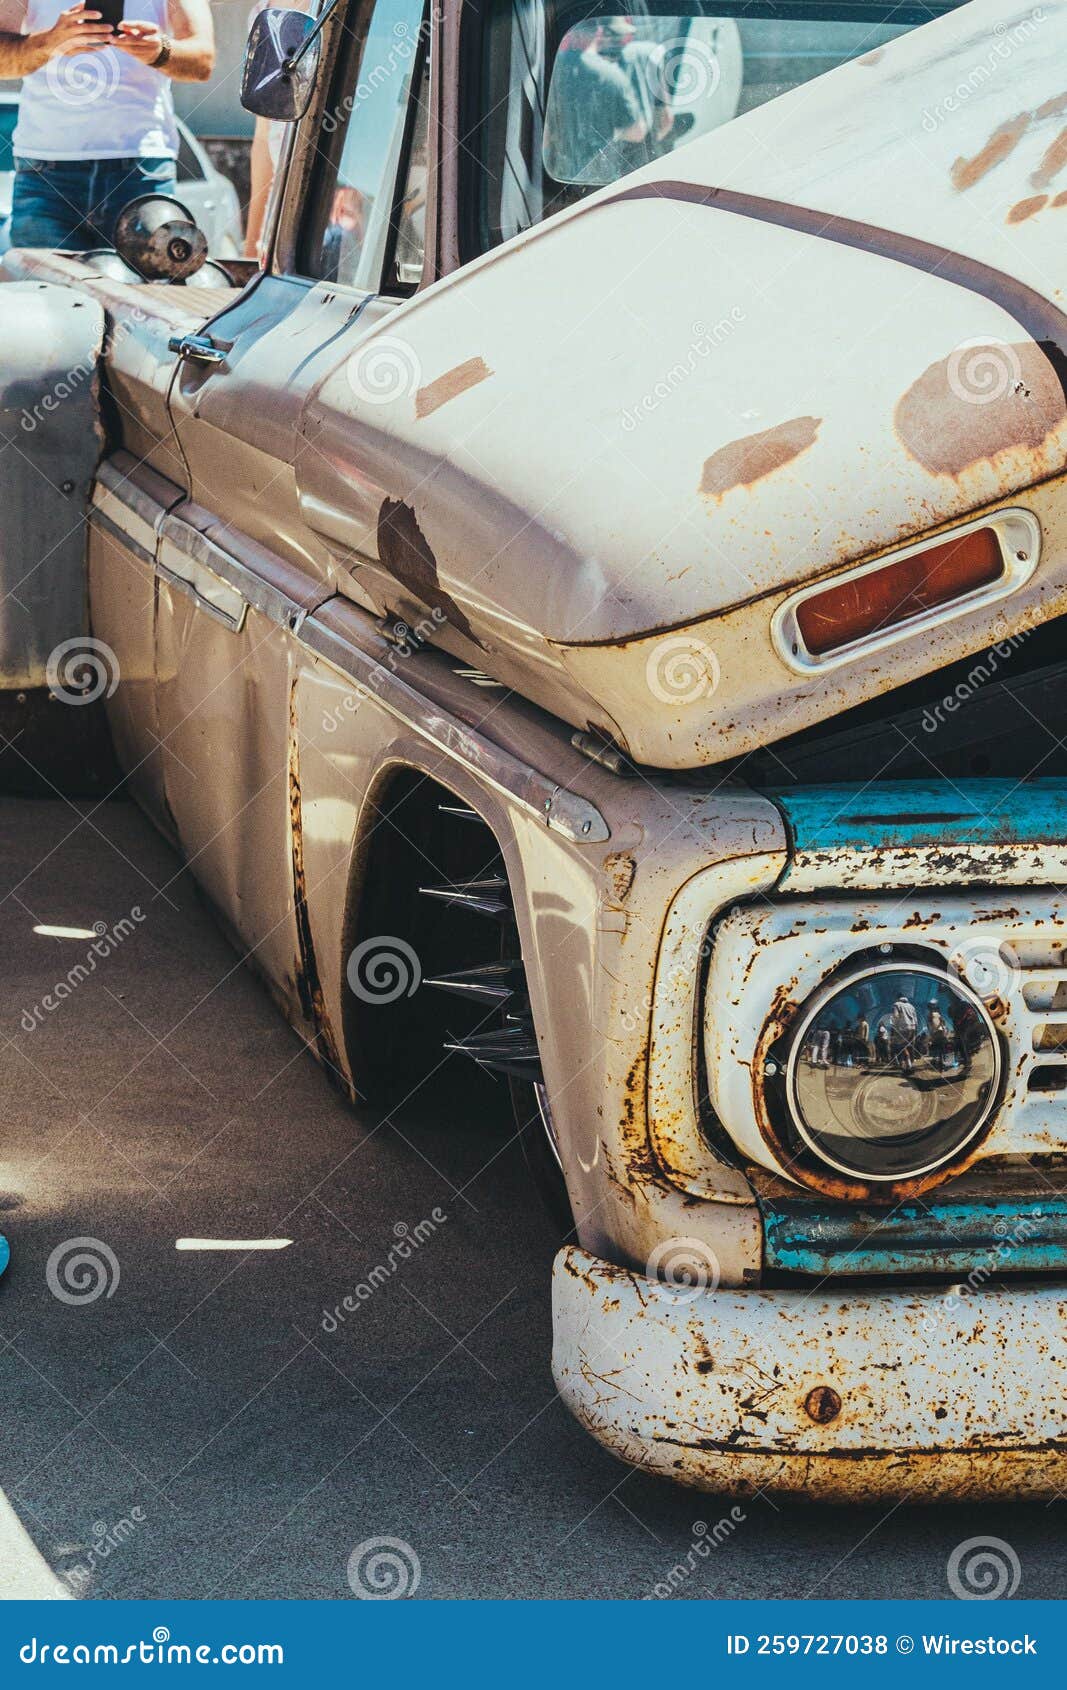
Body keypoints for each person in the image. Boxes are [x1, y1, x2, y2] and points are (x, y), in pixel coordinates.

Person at [0, 0, 215, 251]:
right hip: (46, 175)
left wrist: (160, 50)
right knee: (44, 288)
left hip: (140, 168)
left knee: (142, 290)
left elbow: (202, 62)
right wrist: (49, 42)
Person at [889, 993, 919, 1074]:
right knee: (909, 1047)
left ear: (898, 998)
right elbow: (916, 1019)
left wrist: (893, 1027)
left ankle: (908, 1066)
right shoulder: (911, 1006)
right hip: (913, 1028)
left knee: (902, 1047)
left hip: (903, 1028)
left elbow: (896, 1016)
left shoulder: (897, 1004)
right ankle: (908, 1064)